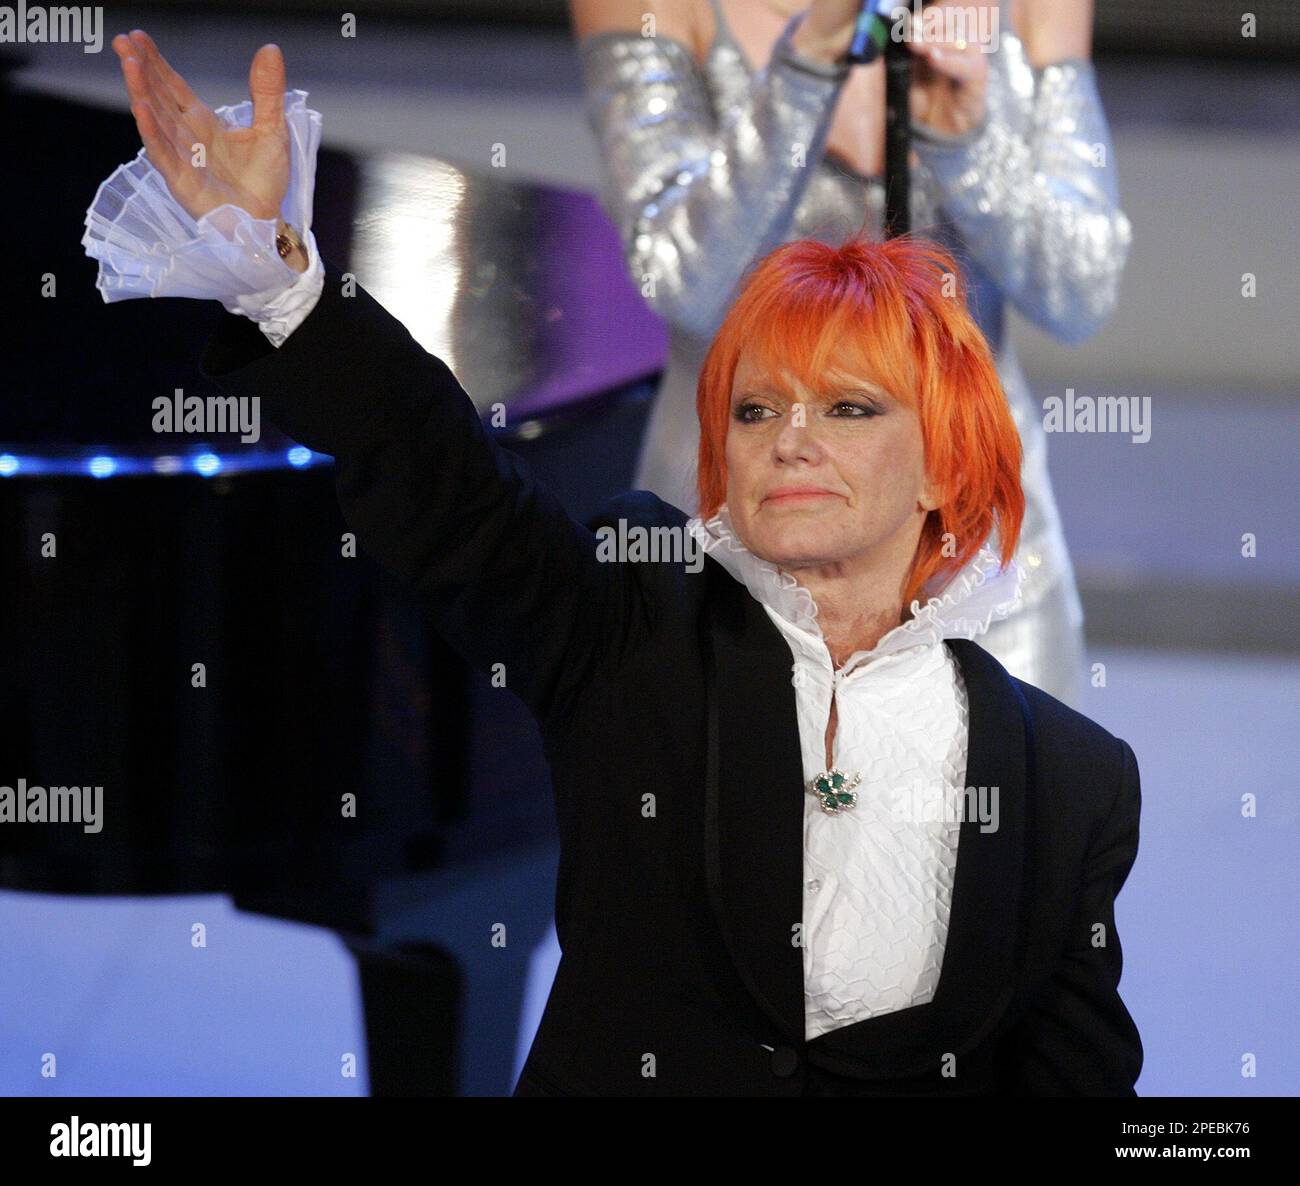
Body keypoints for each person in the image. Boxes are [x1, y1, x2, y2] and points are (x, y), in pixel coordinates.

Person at [83, 30, 1143, 1096]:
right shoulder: (633, 627)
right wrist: (281, 274)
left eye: (849, 408)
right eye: (757, 406)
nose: (790, 438)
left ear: (941, 466)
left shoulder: (1073, 784)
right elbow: (450, 491)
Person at [571, 0, 1134, 708]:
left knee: (1002, 809)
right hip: (736, 549)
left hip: (975, 558)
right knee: (737, 813)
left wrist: (965, 146)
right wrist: (803, 70)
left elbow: (1080, 292)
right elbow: (684, 282)